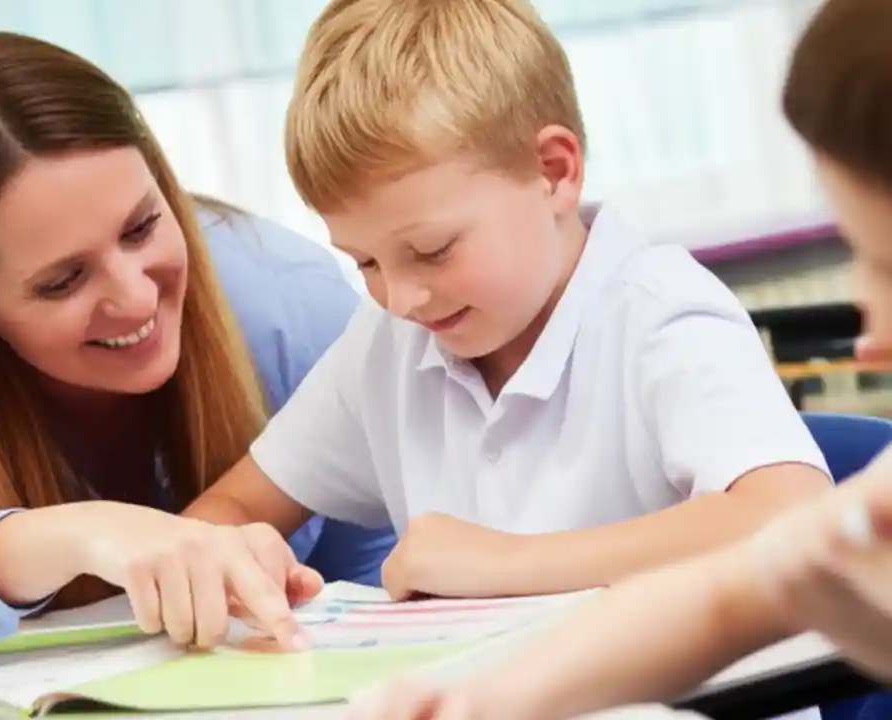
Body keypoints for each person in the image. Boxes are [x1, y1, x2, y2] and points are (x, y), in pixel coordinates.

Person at [0, 31, 395, 683]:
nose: (136, 298)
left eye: (142, 227)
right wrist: (79, 535)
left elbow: (379, 594)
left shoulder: (285, 293)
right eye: (63, 281)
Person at [347, 0, 892, 718]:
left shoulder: (658, 309)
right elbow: (726, 600)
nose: (871, 323)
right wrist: (485, 702)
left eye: (886, 266)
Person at [187, 0, 829, 604]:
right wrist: (227, 557)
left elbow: (790, 516)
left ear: (553, 171)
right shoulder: (388, 345)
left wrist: (507, 564)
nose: (400, 298)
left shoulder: (659, 314)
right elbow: (227, 512)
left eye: (434, 250)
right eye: (366, 262)